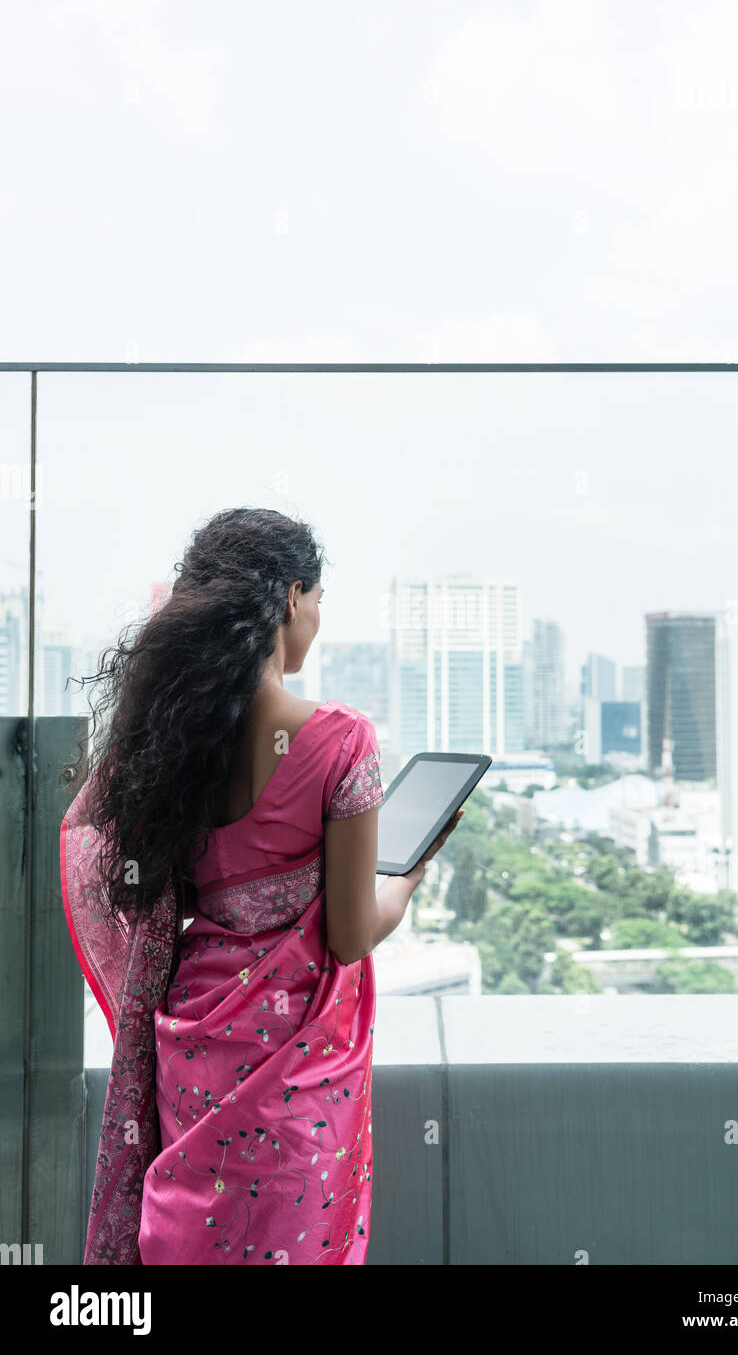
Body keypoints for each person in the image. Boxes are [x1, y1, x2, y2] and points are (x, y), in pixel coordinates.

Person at [60, 506, 463, 1265]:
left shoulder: (177, 737)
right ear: (290, 598)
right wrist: (407, 878)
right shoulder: (341, 739)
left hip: (193, 1047)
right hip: (297, 1067)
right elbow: (349, 933)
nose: (317, 619)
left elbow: (147, 875)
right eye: (318, 600)